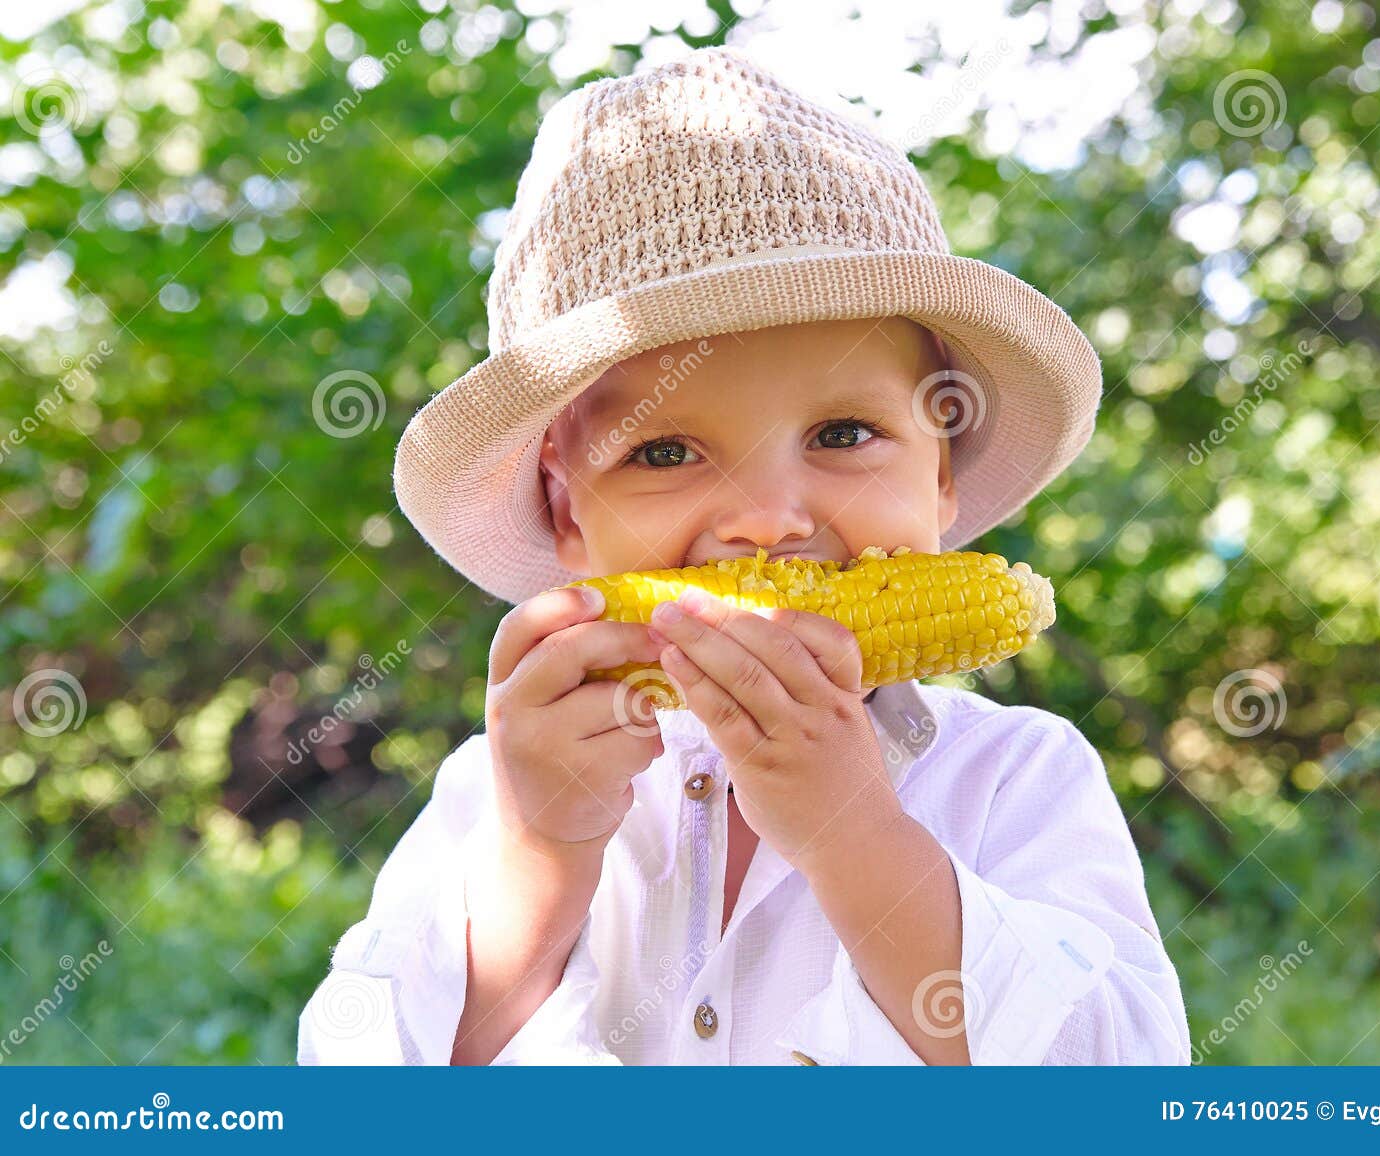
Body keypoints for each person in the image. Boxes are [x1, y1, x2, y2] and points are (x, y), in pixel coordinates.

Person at [297, 44, 1187, 1066]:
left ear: (941, 470)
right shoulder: (496, 794)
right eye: (665, 451)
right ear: (566, 511)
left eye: (844, 434)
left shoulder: (1015, 777)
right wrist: (538, 859)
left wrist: (855, 833)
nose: (765, 521)